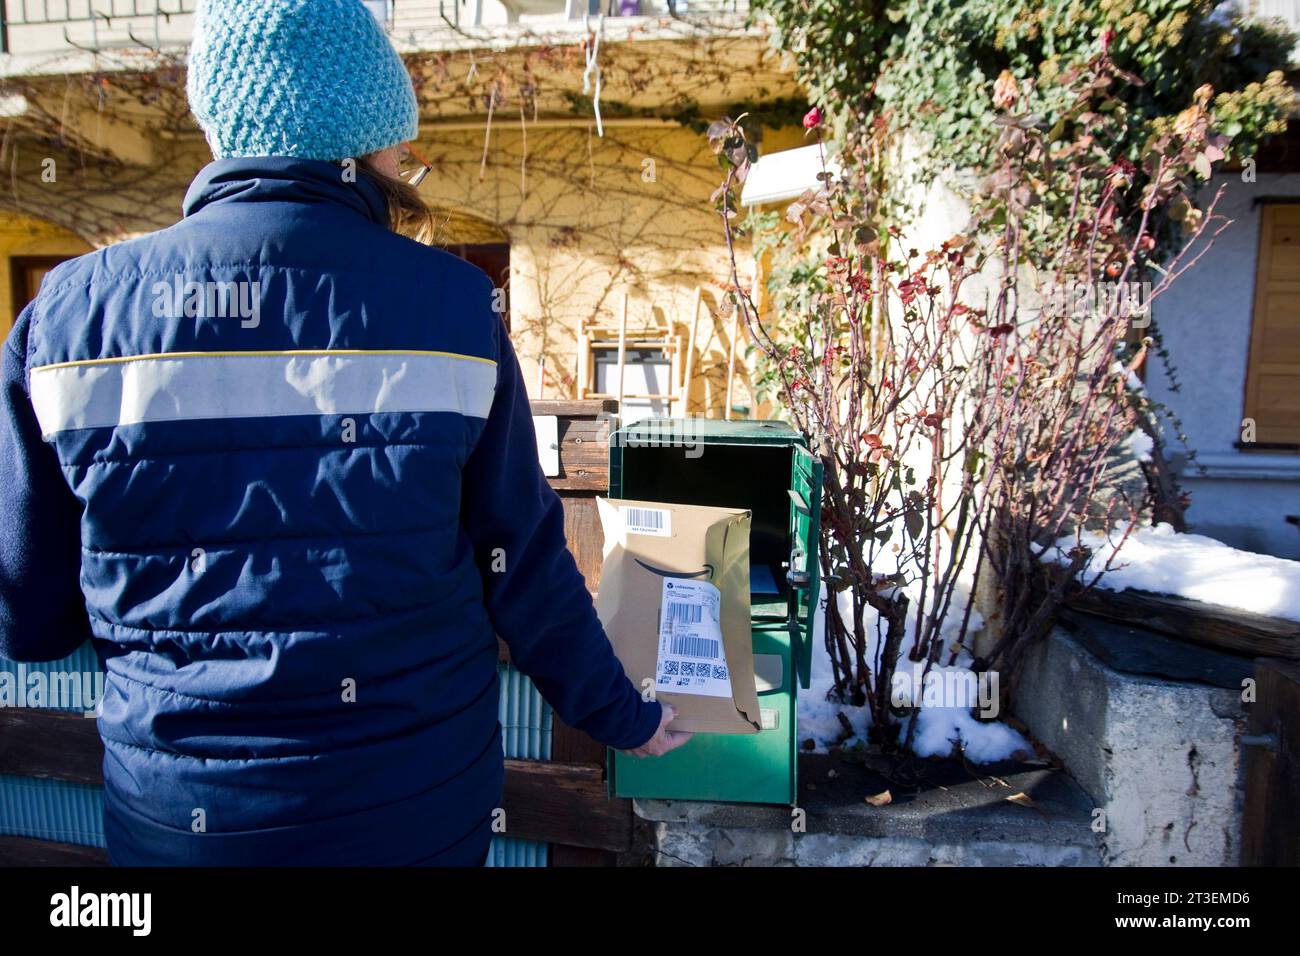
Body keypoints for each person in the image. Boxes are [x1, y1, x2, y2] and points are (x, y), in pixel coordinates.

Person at [0, 0, 689, 867]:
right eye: (403, 145)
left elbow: (31, 615)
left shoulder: (66, 316)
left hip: (184, 817)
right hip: (412, 808)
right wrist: (620, 714)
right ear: (358, 143)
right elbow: (522, 559)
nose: (410, 163)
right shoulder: (452, 306)